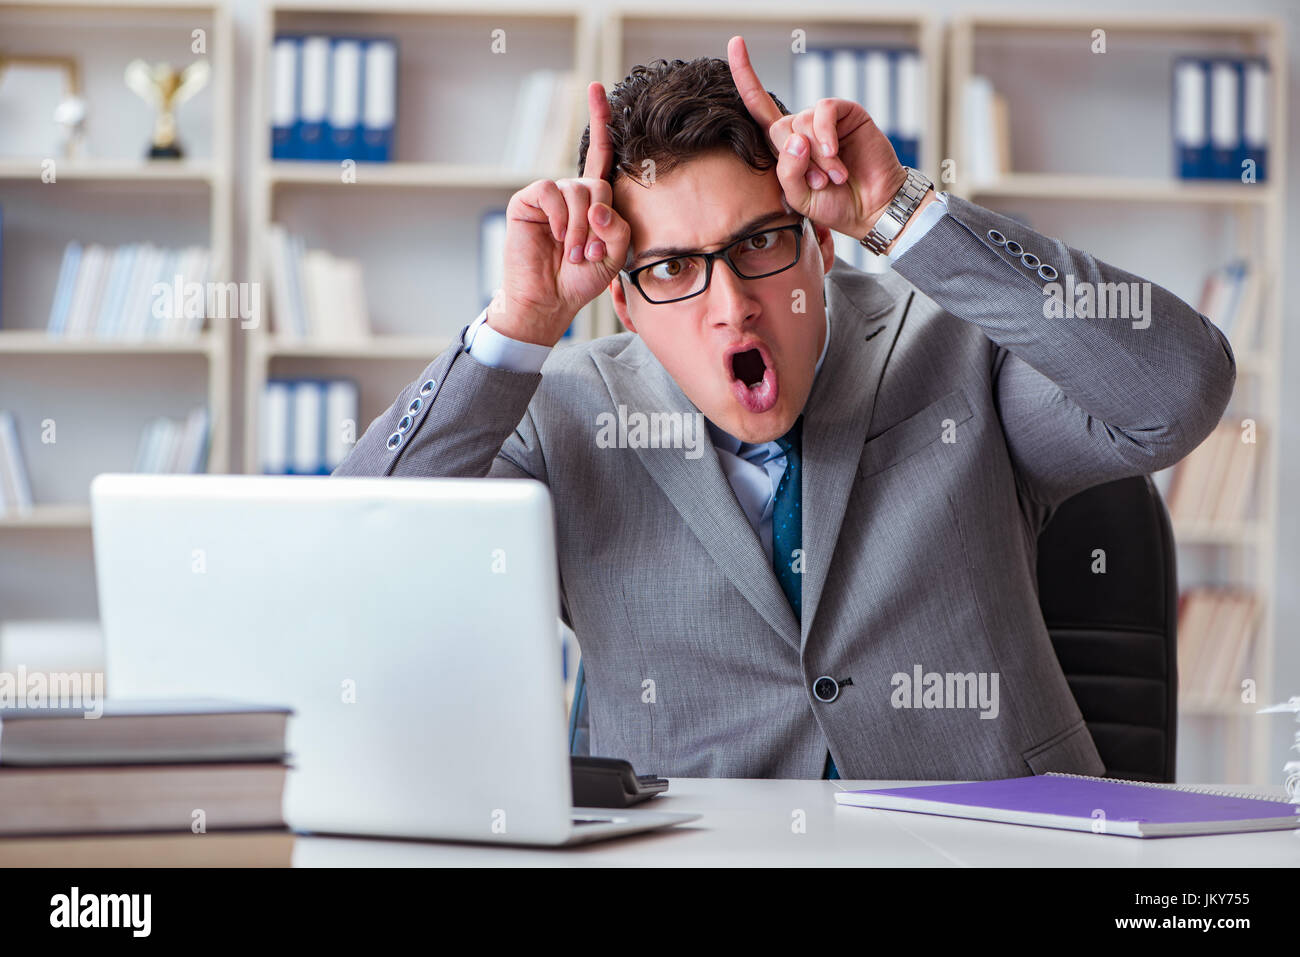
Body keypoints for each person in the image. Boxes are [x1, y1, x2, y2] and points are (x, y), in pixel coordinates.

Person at [334, 37, 1235, 779]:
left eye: (760, 241)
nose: (731, 305)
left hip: (988, 844)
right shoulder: (561, 411)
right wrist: (517, 330)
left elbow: (1177, 390)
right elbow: (361, 557)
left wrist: (900, 212)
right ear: (624, 298)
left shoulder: (958, 344)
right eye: (674, 267)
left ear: (818, 245)